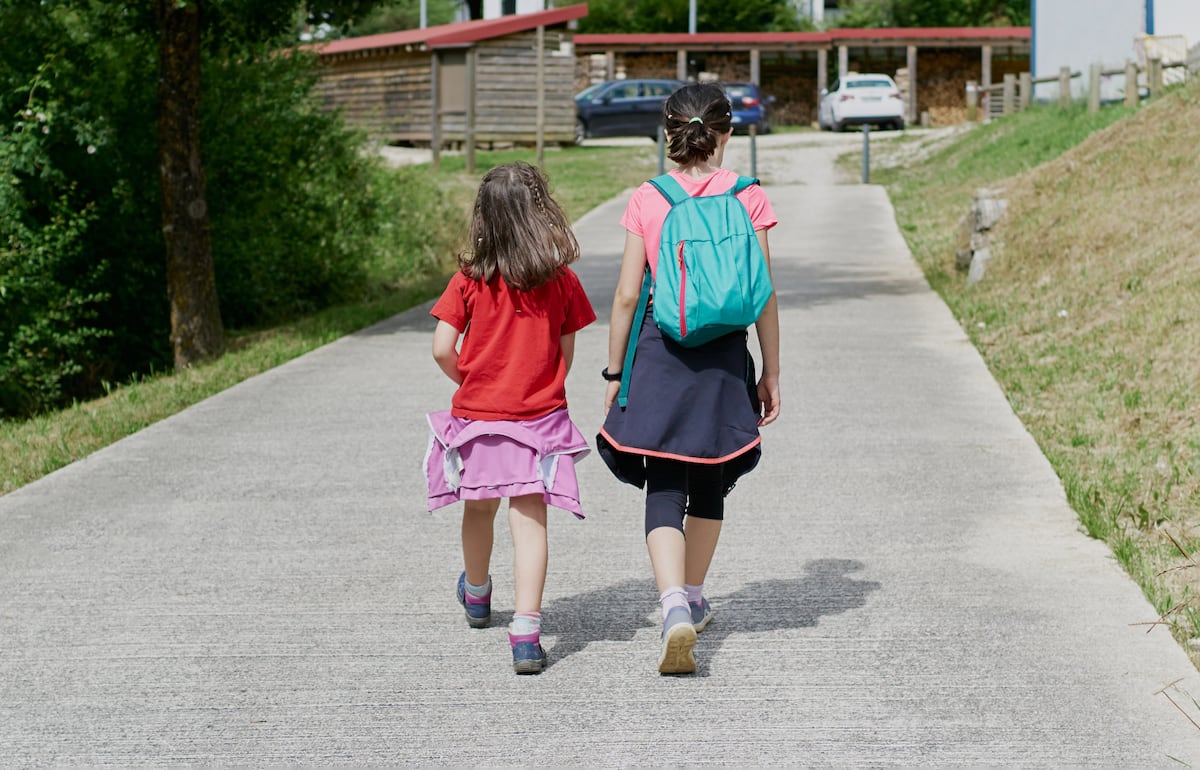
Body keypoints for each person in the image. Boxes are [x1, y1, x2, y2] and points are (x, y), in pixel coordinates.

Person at [597, 83, 781, 675]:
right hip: (725, 357)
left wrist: (614, 371)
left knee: (664, 483)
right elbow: (764, 297)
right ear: (727, 132)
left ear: (668, 133)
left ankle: (673, 606)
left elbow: (627, 295)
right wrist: (771, 370)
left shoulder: (648, 198)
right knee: (711, 480)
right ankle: (697, 596)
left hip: (660, 352)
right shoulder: (750, 196)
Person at [425, 161, 597, 675]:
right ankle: (526, 633)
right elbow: (566, 356)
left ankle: (477, 594)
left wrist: (473, 382)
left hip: (477, 417)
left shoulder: (469, 280)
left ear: (485, 219)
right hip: (538, 420)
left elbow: (440, 349)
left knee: (478, 509)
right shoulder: (561, 281)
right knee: (530, 521)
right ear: (540, 214)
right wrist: (536, 387)